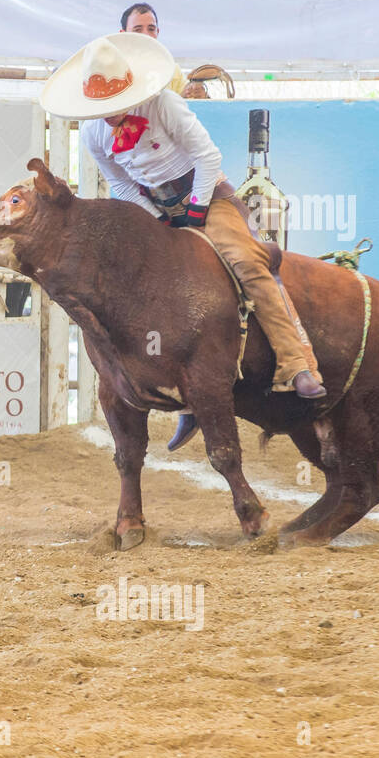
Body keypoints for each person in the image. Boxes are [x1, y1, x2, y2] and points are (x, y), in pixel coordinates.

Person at [42, 33, 325, 451]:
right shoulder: (94, 136)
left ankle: (297, 362)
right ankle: (191, 400)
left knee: (246, 263)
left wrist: (194, 208)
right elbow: (121, 183)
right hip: (155, 208)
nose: (107, 115)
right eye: (99, 108)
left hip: (210, 196)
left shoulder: (166, 105)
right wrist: (157, 219)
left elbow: (208, 158)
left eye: (113, 106)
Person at [120, 3, 186, 96]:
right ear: (123, 35)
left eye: (151, 29)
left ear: (157, 32)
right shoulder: (113, 68)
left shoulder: (172, 69)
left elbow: (190, 102)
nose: (146, 35)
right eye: (138, 30)